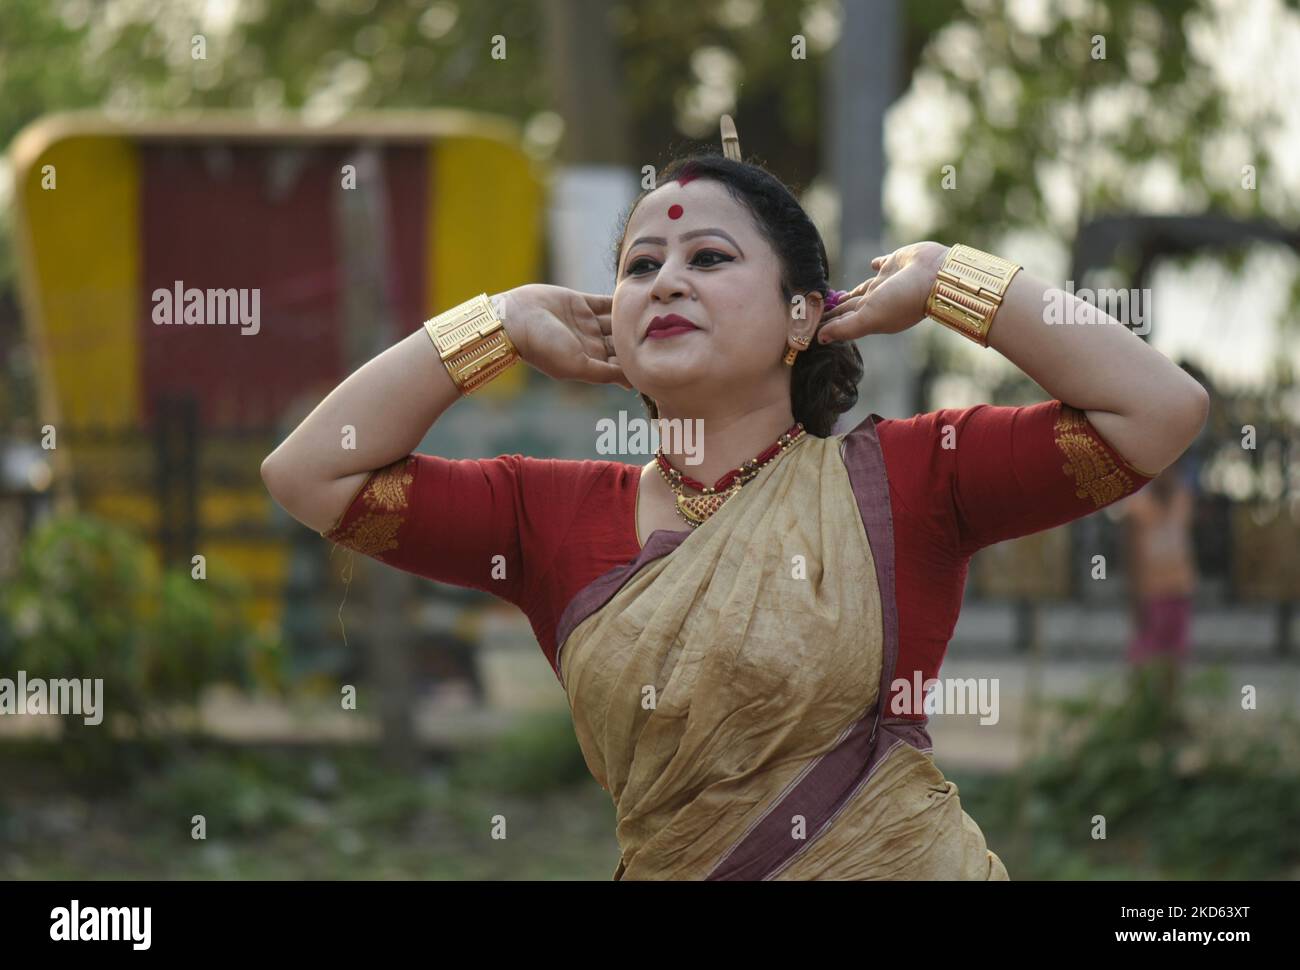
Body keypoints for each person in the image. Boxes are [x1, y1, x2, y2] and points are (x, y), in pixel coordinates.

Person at [261, 123, 1209, 880]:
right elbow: (309, 474)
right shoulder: (542, 517)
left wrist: (955, 281)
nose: (665, 278)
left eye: (708, 258)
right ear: (614, 332)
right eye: (639, 266)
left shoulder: (911, 482)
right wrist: (495, 324)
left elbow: (1158, 411)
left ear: (804, 314)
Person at [1122, 459, 1198, 726]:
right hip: (1151, 595)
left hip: (1179, 590)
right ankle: (1137, 715)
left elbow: (1186, 545)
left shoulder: (1183, 501)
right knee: (1144, 657)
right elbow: (1131, 558)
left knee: (1174, 658)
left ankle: (1170, 715)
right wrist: (1135, 600)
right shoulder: (1137, 509)